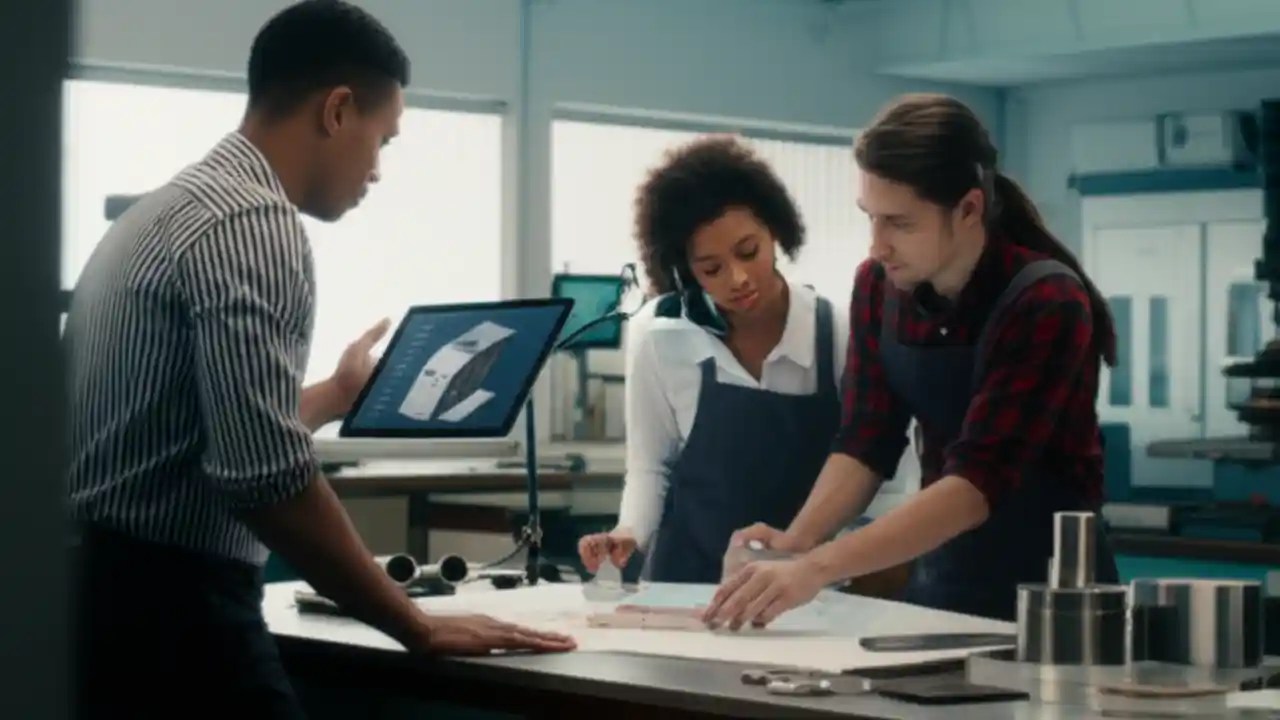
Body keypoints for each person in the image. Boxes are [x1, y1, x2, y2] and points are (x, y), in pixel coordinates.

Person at [65, 3, 573, 718]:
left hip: (96, 595)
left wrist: (336, 394)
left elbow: (195, 429)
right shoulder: (254, 220)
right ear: (338, 110)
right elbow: (264, 476)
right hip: (171, 610)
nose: (376, 170)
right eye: (383, 139)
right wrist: (414, 622)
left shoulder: (164, 208)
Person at [703, 93, 1121, 630]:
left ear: (969, 209)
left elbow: (976, 485)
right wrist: (794, 544)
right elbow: (865, 441)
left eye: (899, 223)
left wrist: (817, 568)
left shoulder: (1046, 300)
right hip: (945, 584)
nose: (877, 245)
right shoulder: (879, 286)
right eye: (870, 219)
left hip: (1059, 600)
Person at [578, 136, 918, 584]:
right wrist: (629, 534)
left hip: (804, 592)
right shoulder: (658, 337)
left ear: (775, 231)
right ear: (683, 271)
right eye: (711, 269)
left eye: (748, 251)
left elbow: (884, 473)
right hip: (683, 589)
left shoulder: (838, 332)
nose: (738, 279)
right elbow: (650, 466)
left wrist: (847, 568)